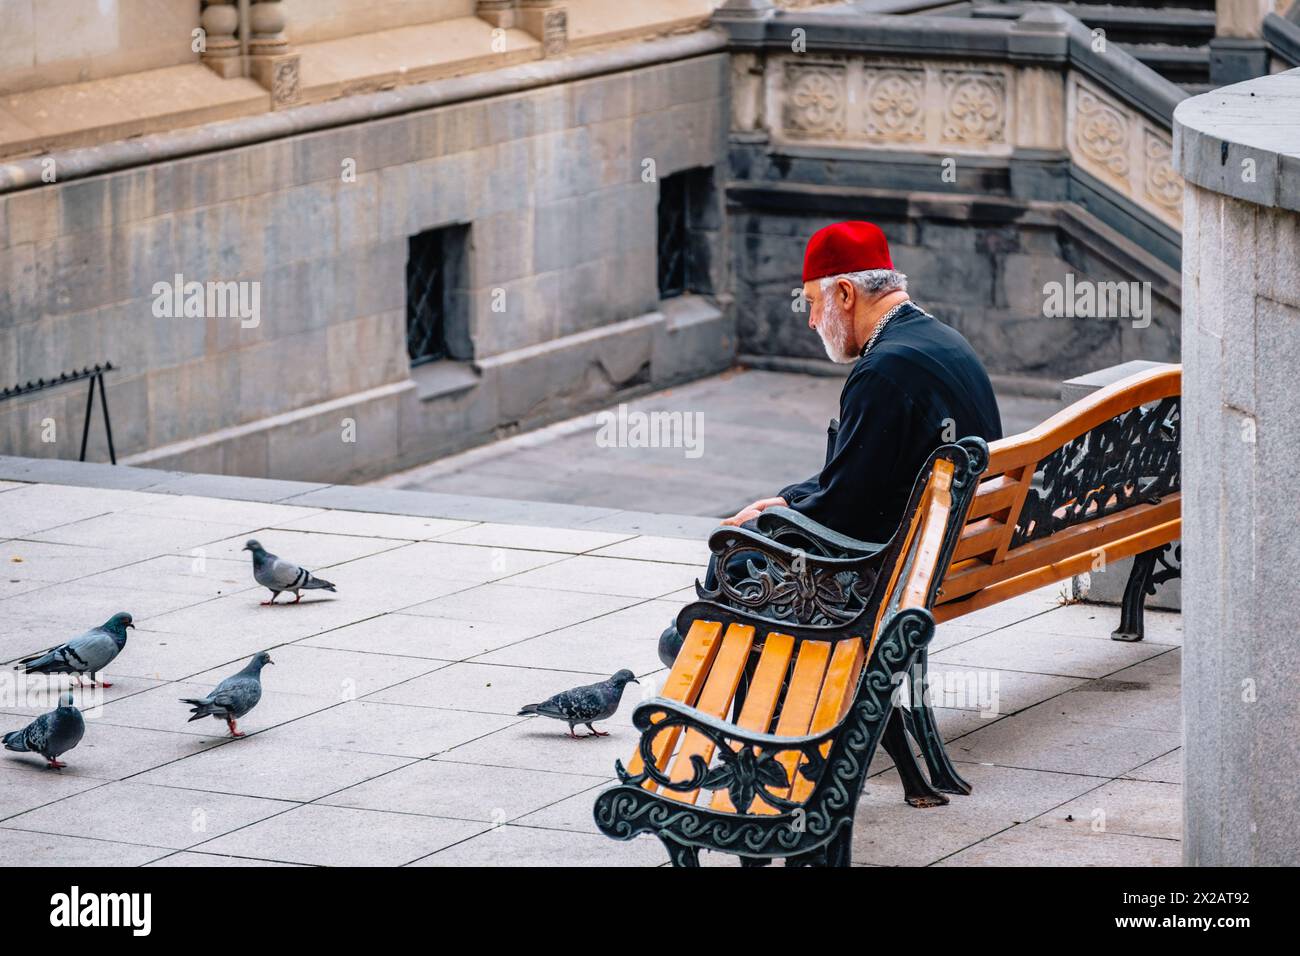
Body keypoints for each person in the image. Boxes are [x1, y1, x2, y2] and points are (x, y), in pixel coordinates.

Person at [659, 220, 1003, 666]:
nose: (812, 320)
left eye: (814, 303)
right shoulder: (939, 340)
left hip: (903, 567)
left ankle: (746, 682)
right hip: (961, 545)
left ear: (844, 293)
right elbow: (863, 479)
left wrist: (766, 522)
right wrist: (783, 500)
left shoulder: (884, 370)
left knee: (734, 554)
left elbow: (843, 515)